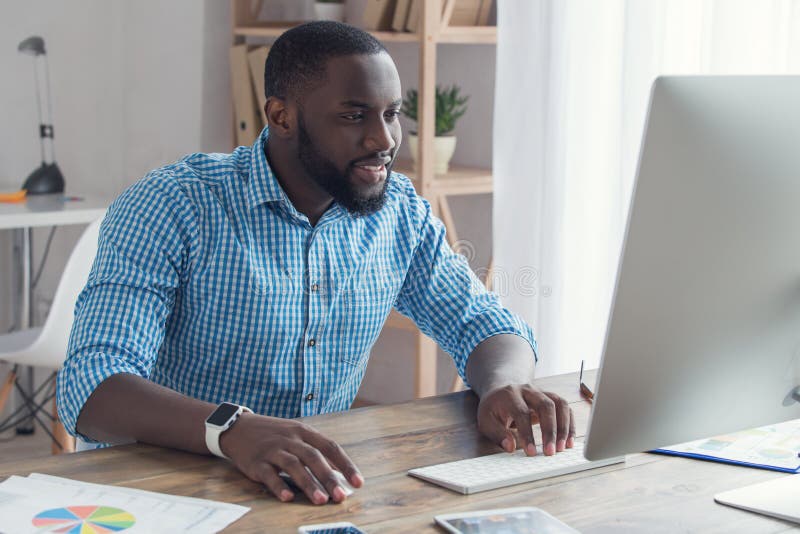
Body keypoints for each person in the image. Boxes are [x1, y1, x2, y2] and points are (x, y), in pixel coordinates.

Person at [57, 21, 575, 506]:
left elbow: (482, 322)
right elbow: (93, 386)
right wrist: (232, 429)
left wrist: (505, 385)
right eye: (355, 116)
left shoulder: (398, 210)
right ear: (281, 116)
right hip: (160, 494)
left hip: (312, 491)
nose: (385, 139)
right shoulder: (173, 205)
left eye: (392, 113)